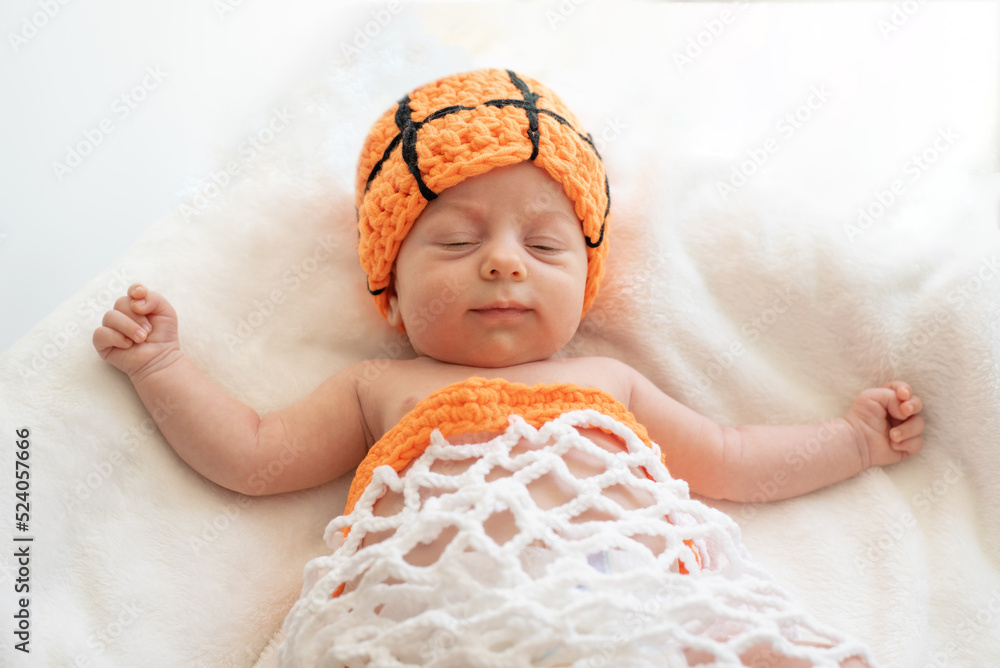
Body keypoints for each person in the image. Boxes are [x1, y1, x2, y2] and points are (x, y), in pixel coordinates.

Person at [93, 68, 922, 667]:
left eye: (543, 243)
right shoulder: (382, 388)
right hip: (439, 621)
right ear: (390, 292)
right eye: (456, 240)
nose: (502, 264)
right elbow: (255, 455)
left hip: (629, 598)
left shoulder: (606, 382)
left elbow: (733, 460)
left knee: (768, 646)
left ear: (585, 281)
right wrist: (162, 365)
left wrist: (853, 441)